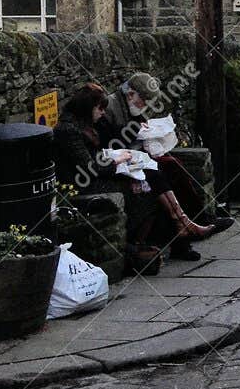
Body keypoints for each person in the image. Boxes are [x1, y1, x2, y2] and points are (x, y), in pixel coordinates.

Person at [54, 83, 175, 275]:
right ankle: (135, 247)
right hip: (81, 185)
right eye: (100, 108)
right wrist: (117, 160)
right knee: (142, 190)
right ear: (88, 107)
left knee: (148, 182)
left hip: (90, 178)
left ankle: (139, 244)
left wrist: (116, 159)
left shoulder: (81, 125)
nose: (102, 113)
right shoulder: (69, 130)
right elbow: (89, 168)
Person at [107, 72, 232, 249]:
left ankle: (194, 225)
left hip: (140, 157)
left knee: (173, 166)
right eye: (143, 101)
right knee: (163, 173)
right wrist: (135, 131)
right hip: (127, 163)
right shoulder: (112, 106)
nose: (144, 106)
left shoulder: (131, 106)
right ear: (131, 94)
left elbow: (137, 128)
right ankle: (188, 230)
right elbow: (111, 143)